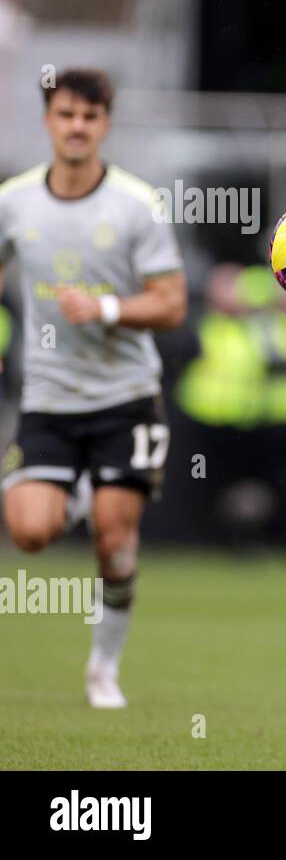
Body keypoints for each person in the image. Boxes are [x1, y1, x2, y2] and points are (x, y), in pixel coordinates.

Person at [0, 68, 186, 708]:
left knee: (114, 539)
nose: (77, 127)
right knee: (28, 532)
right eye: (66, 115)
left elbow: (171, 304)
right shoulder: (15, 200)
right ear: (48, 121)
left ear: (105, 124)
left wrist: (106, 309)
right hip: (48, 398)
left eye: (90, 116)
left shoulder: (137, 204)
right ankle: (73, 491)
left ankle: (103, 667)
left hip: (125, 396)